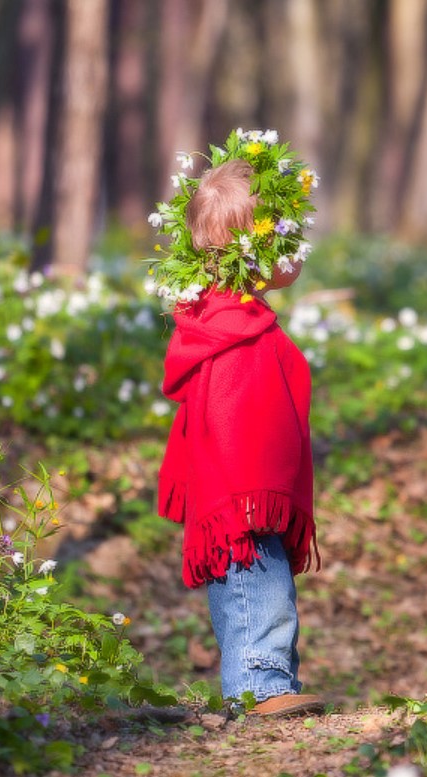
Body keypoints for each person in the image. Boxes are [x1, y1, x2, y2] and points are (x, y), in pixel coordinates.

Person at [156, 156, 323, 717]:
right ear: (255, 251)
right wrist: (247, 492)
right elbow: (231, 414)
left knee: (264, 580)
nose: (300, 248)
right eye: (289, 235)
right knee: (253, 578)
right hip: (238, 490)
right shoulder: (233, 330)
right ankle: (258, 684)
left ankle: (271, 680)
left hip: (244, 485)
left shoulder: (233, 318)